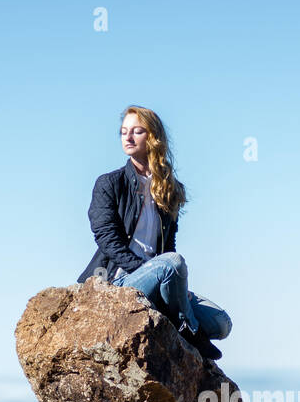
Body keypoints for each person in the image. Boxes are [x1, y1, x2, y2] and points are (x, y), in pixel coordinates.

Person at [77, 105, 230, 361]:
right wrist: (148, 270)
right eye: (123, 131)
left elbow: (168, 244)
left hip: (158, 276)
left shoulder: (168, 189)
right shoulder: (109, 184)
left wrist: (176, 288)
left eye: (137, 131)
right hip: (118, 280)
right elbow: (106, 237)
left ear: (153, 138)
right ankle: (187, 330)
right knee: (173, 263)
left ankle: (175, 314)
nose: (127, 137)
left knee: (221, 323)